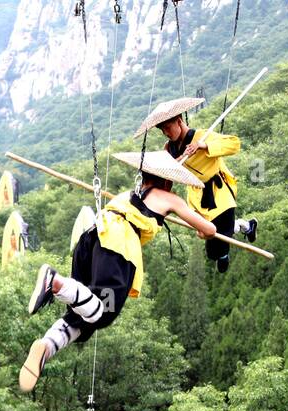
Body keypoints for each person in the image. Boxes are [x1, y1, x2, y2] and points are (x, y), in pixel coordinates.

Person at [19, 150, 217, 392]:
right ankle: (57, 282)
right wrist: (203, 229)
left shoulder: (129, 194)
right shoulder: (169, 198)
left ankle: (47, 346)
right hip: (117, 243)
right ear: (168, 180)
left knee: (83, 317)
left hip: (92, 237)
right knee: (103, 312)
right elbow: (208, 229)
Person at [137, 95, 257, 274]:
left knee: (221, 244)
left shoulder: (201, 136)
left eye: (168, 128)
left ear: (179, 121)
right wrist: (159, 198)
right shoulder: (169, 148)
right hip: (197, 196)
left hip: (218, 192)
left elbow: (234, 144)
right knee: (209, 241)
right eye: (162, 130)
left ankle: (244, 229)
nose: (166, 133)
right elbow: (167, 176)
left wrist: (203, 146)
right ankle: (243, 225)